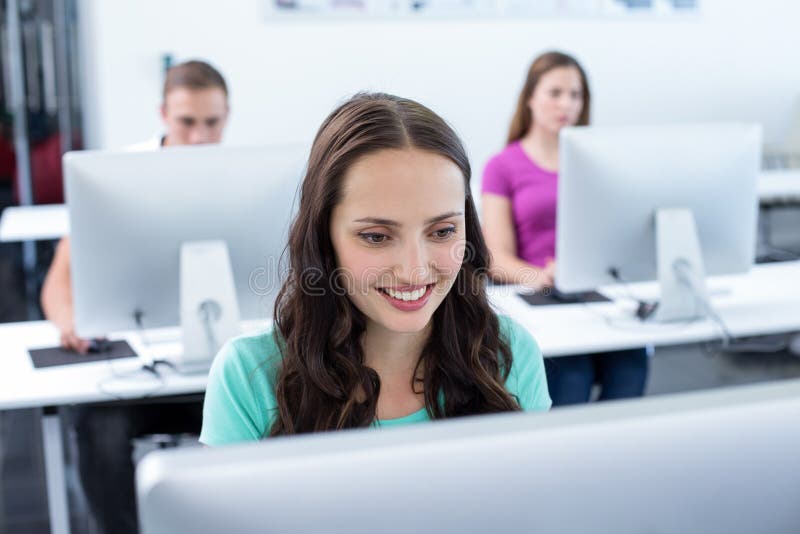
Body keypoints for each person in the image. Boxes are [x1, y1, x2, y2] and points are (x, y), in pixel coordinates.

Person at [200, 92, 551, 444]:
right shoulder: (248, 377)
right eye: (377, 237)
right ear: (324, 237)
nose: (414, 271)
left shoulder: (511, 355)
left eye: (442, 231)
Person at [40, 60, 229, 534]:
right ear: (163, 113)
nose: (200, 137)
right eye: (187, 122)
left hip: (216, 361)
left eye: (212, 122)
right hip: (134, 369)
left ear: (228, 115)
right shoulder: (118, 176)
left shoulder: (240, 174)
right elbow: (57, 281)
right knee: (98, 429)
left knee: (280, 401)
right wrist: (70, 322)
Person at [480, 51, 648, 406]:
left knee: (631, 365)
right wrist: (540, 276)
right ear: (530, 99)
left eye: (575, 94)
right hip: (539, 295)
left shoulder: (597, 162)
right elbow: (496, 257)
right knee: (573, 375)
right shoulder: (502, 166)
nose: (567, 104)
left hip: (593, 293)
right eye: (555, 93)